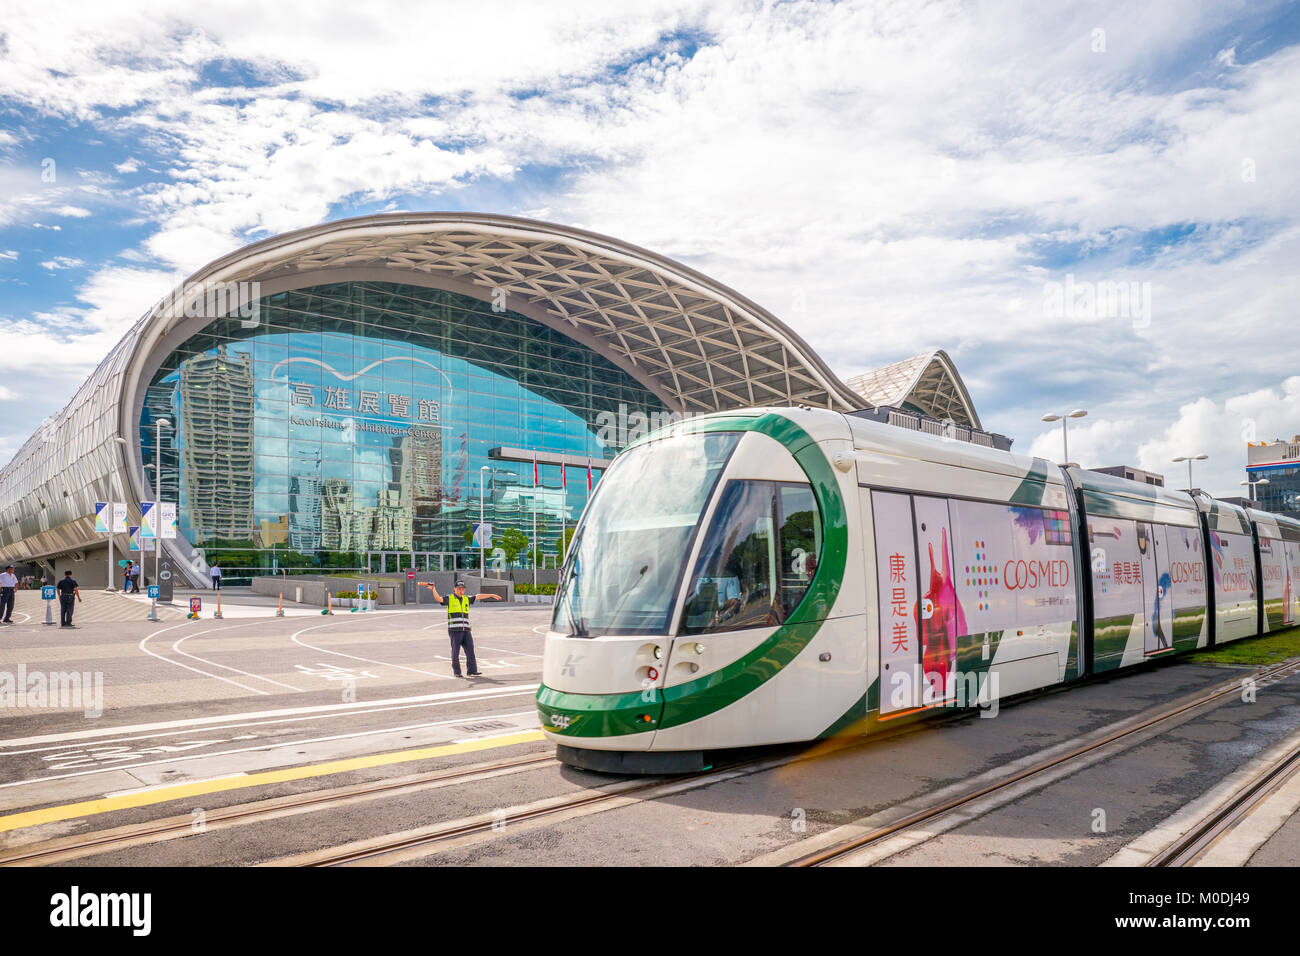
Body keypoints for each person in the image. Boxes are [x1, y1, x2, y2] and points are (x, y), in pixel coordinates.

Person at [419, 578, 501, 678]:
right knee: (455, 651)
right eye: (459, 589)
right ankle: (457, 672)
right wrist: (433, 589)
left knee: (470, 649)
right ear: (455, 589)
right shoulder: (450, 598)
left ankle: (472, 670)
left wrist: (492, 595)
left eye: (462, 589)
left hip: (466, 630)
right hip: (454, 630)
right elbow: (439, 599)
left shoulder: (466, 599)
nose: (461, 590)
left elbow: (478, 596)